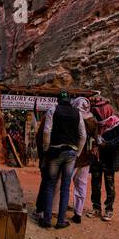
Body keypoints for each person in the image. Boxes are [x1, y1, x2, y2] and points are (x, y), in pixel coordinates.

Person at [39, 92, 86, 229]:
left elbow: (47, 131)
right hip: (71, 153)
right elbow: (83, 135)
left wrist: (46, 148)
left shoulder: (53, 109)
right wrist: (77, 152)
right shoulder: (78, 113)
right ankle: (60, 221)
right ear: (70, 101)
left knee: (50, 184)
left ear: (58, 100)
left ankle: (47, 219)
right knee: (65, 187)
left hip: (55, 152)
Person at [88, 95, 119, 222]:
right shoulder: (96, 124)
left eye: (98, 112)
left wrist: (107, 144)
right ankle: (96, 208)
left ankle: (109, 209)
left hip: (109, 158)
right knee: (95, 183)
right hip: (97, 158)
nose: (96, 115)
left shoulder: (116, 123)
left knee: (109, 184)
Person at [69, 97, 100, 224]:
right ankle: (78, 213)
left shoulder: (74, 118)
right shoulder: (93, 120)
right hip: (86, 158)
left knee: (65, 184)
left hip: (73, 157)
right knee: (81, 186)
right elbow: (96, 140)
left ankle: (59, 208)